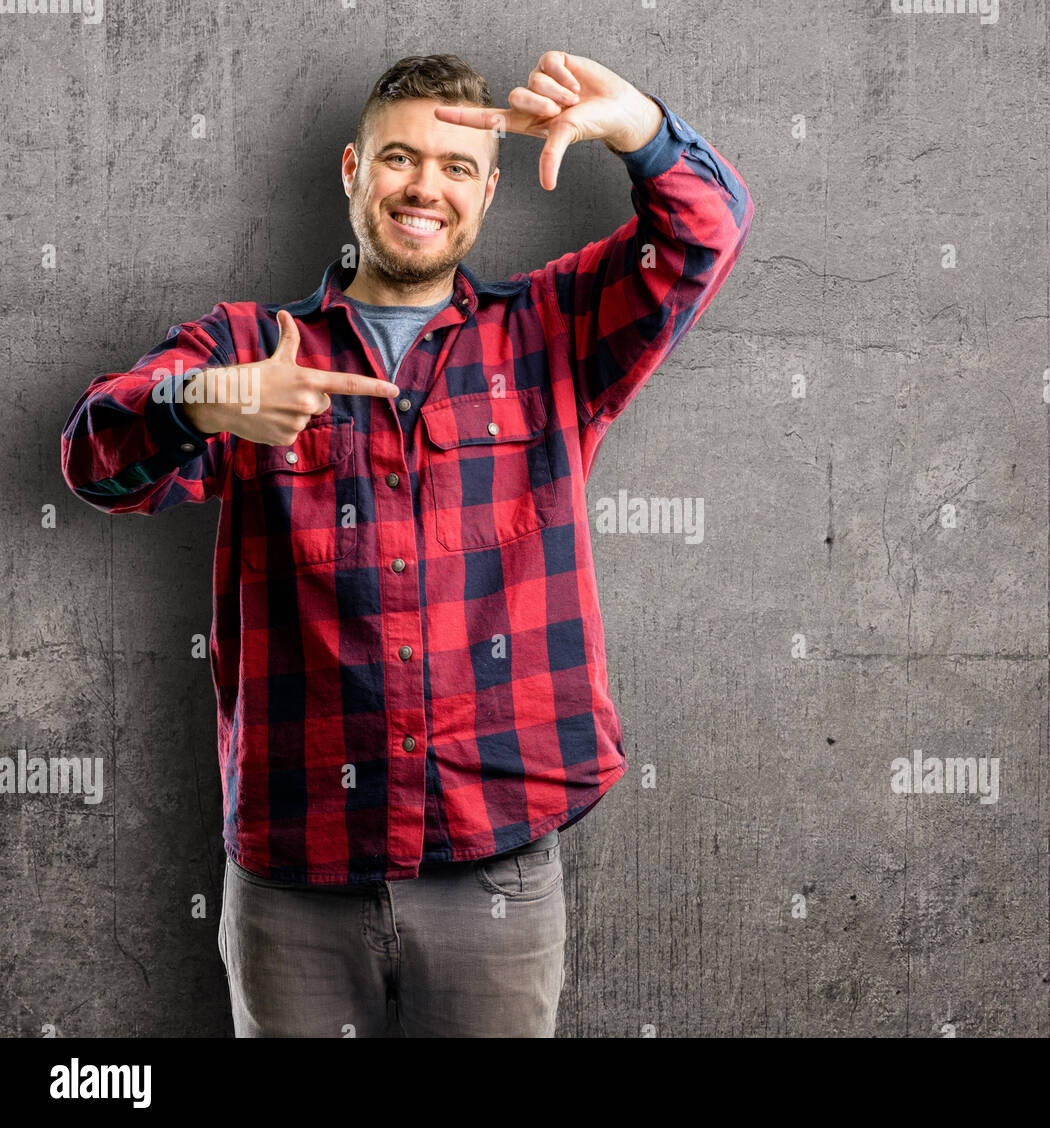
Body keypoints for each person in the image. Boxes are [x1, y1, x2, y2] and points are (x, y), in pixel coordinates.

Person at [60, 50, 752, 1037]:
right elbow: (95, 456)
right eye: (399, 159)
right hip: (295, 882)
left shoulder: (548, 335)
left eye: (456, 166)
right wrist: (204, 400)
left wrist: (640, 129)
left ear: (487, 191)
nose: (425, 186)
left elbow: (707, 232)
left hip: (498, 874)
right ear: (352, 172)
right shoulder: (248, 346)